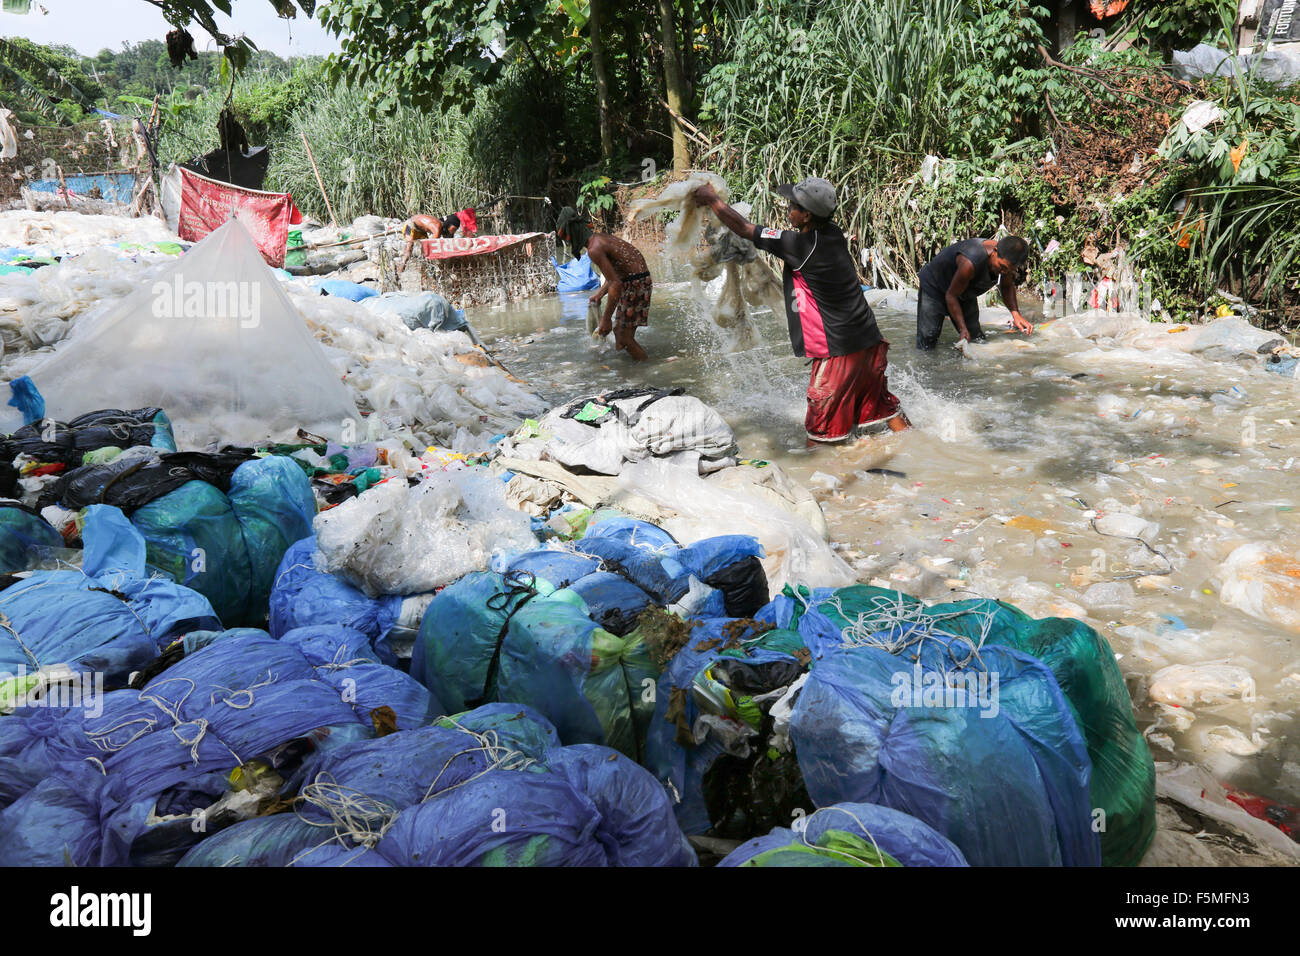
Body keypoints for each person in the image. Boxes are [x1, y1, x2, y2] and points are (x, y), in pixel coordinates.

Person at [694, 177, 910, 441]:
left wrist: (712, 200)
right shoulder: (832, 234)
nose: (788, 210)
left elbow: (745, 229)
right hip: (870, 341)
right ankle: (919, 450)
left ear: (807, 215)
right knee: (883, 408)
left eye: (793, 206)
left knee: (821, 435)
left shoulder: (799, 246)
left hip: (838, 353)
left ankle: (819, 480)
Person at [556, 206, 652, 362]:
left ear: (573, 234)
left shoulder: (594, 249)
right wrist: (599, 295)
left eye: (568, 238)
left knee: (623, 337)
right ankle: (633, 370)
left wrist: (606, 319)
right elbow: (617, 274)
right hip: (638, 279)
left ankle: (647, 371)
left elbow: (616, 283)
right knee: (621, 338)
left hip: (636, 283)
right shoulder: (600, 238)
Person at [916, 236, 1033, 350]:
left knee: (976, 340)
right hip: (934, 287)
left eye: (1008, 270)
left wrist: (1016, 314)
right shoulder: (970, 262)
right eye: (1001, 267)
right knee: (928, 340)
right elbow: (951, 296)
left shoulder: (1006, 263)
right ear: (995, 252)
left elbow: (1007, 287)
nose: (1003, 272)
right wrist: (962, 329)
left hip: (964, 291)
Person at [395, 213, 461, 272]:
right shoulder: (437, 227)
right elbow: (432, 245)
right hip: (411, 225)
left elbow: (450, 243)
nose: (454, 232)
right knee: (409, 249)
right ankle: (400, 271)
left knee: (424, 254)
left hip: (421, 230)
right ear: (448, 225)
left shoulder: (446, 228)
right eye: (454, 229)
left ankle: (425, 276)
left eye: (456, 230)